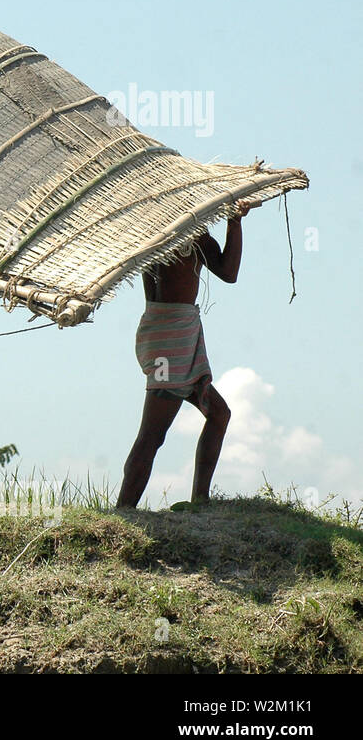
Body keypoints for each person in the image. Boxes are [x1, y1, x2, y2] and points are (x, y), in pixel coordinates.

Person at [115, 200, 259, 509]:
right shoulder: (182, 232)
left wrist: (235, 220)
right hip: (170, 337)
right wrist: (235, 222)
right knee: (152, 434)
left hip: (170, 333)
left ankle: (199, 501)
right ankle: (123, 512)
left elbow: (224, 271)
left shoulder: (158, 231)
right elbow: (229, 272)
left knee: (218, 414)